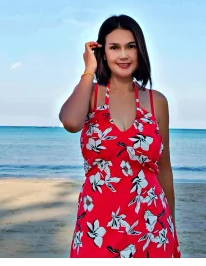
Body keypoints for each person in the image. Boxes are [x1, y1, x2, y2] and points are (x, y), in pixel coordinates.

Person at [59, 15, 180, 258]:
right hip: (97, 226)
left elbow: (164, 169)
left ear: (140, 51)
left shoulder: (156, 102)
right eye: (114, 47)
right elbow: (71, 122)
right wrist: (88, 71)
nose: (123, 55)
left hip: (152, 227)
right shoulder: (91, 95)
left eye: (130, 46)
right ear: (102, 53)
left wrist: (171, 229)